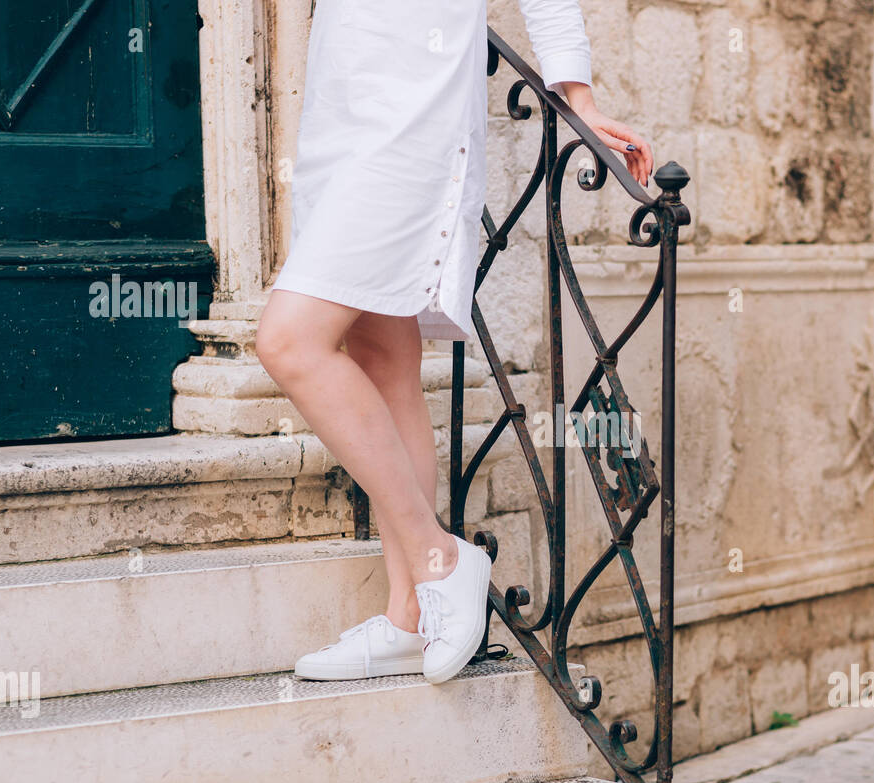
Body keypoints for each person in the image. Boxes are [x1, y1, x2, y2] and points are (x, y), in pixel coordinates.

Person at [256, 0, 654, 684]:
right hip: (340, 102)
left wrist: (576, 94)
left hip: (414, 118)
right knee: (382, 359)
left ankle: (438, 555)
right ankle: (408, 617)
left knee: (290, 342)